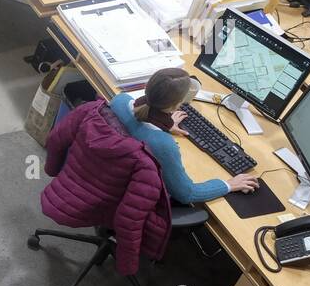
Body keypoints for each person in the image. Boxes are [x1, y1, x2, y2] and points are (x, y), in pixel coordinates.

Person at [109, 68, 259, 204]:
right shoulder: (162, 143)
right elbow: (186, 194)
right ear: (177, 105)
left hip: (107, 176)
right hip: (131, 198)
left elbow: (138, 127)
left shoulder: (120, 101)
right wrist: (229, 184)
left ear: (147, 86)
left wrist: (165, 125)